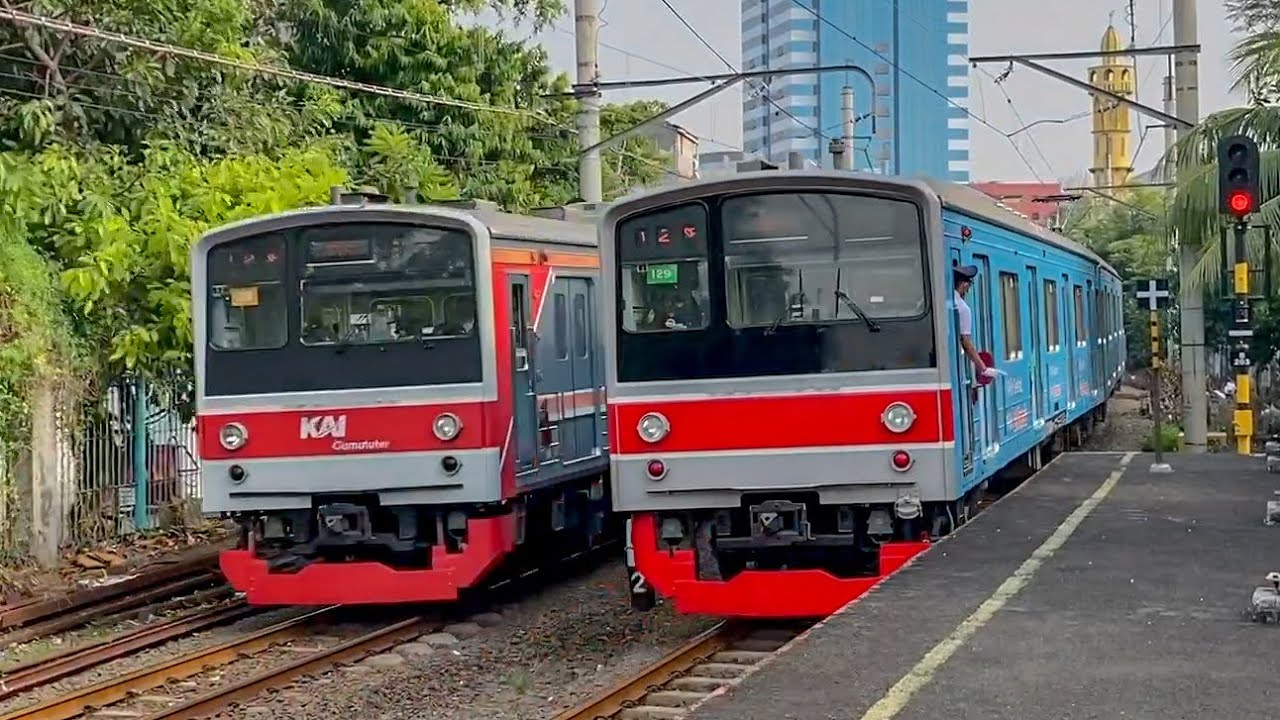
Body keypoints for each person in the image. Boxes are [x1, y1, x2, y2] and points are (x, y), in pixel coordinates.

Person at [952, 265, 996, 381]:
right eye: (969, 285)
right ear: (964, 285)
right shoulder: (962, 308)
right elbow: (965, 342)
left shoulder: (941, 302)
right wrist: (982, 367)